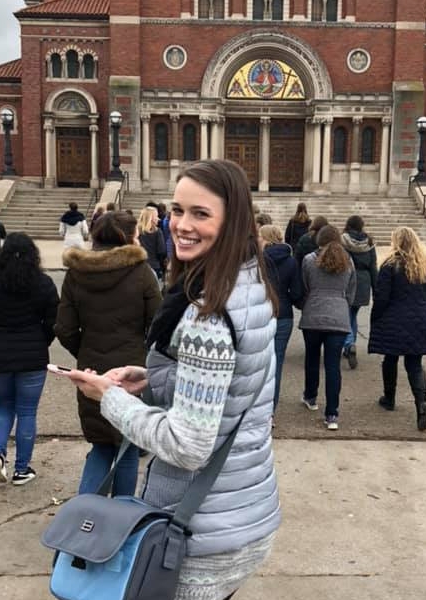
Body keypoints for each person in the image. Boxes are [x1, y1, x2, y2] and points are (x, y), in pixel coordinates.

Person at [57, 159, 281, 600]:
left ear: (232, 220)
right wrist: (154, 381)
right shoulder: (250, 286)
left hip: (199, 528)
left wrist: (111, 400)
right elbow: (232, 387)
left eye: (201, 214)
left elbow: (188, 445)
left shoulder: (208, 316)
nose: (182, 225)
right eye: (177, 210)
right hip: (244, 510)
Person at [55, 211, 162, 495]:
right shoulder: (141, 273)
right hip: (132, 370)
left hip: (92, 371)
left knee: (101, 444)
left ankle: (86, 513)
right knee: (126, 444)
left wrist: (86, 351)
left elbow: (65, 328)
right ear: (128, 238)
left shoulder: (76, 274)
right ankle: (121, 518)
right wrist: (141, 353)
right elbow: (158, 323)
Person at [0, 233, 60, 484]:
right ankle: (22, 468)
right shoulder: (43, 283)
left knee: (4, 406)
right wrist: (41, 340)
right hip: (32, 355)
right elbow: (54, 322)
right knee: (27, 411)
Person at [367, 226, 426, 431]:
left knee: (390, 359)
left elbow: (382, 297)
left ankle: (389, 398)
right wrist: (425, 314)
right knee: (414, 364)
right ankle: (422, 403)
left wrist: (376, 318)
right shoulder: (425, 266)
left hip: (393, 319)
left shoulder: (390, 265)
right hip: (420, 319)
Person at [298, 225, 356, 430]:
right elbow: (351, 291)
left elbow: (304, 286)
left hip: (313, 313)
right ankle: (332, 413)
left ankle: (310, 396)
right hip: (338, 315)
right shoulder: (348, 261)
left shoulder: (308, 260)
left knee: (312, 358)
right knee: (333, 366)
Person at [259, 224, 303, 417]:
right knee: (276, 363)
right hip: (283, 314)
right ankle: (270, 412)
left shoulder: (258, 260)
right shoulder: (291, 261)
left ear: (266, 239)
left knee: (256, 363)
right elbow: (296, 292)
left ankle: (257, 409)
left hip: (260, 312)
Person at [340, 215, 378, 369]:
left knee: (346, 314)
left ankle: (349, 344)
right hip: (363, 280)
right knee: (353, 314)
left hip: (348, 277)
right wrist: (376, 289)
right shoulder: (369, 242)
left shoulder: (343, 240)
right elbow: (373, 267)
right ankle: (351, 343)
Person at [137, 206, 167, 289]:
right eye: (156, 216)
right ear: (151, 218)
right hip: (154, 266)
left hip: (138, 266)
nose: (159, 219)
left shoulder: (136, 231)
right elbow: (161, 251)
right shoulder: (157, 232)